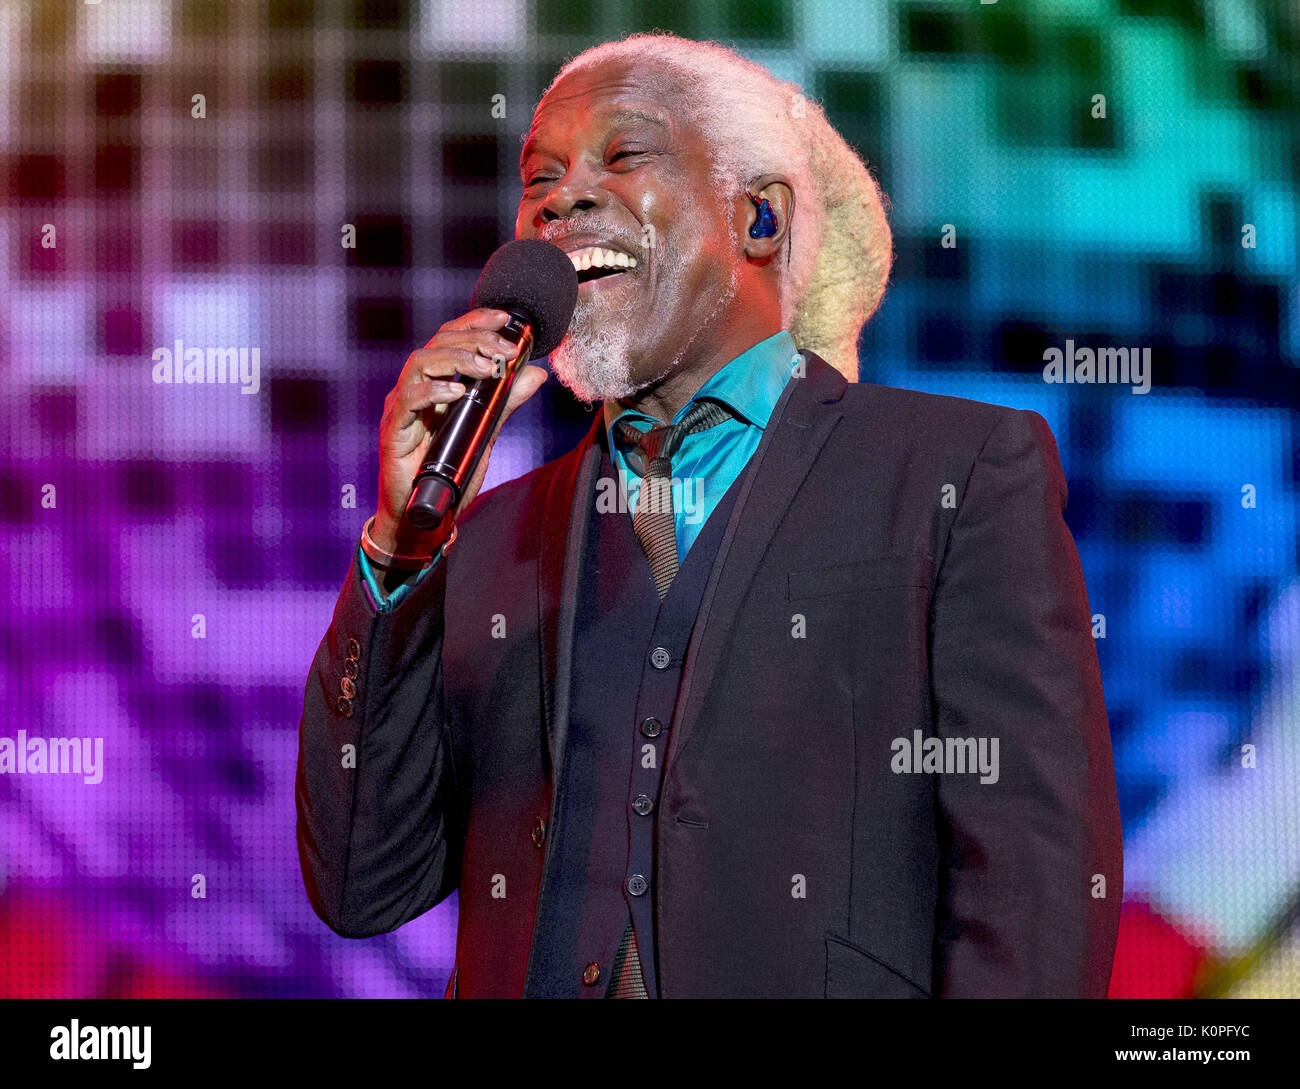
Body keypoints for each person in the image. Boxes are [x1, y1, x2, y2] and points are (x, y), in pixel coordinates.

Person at [296, 32, 1123, 998]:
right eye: (542, 177)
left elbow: (1033, 886)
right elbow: (362, 884)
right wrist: (401, 547)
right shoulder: (484, 536)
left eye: (625, 154)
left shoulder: (958, 474)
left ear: (759, 218)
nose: (562, 197)